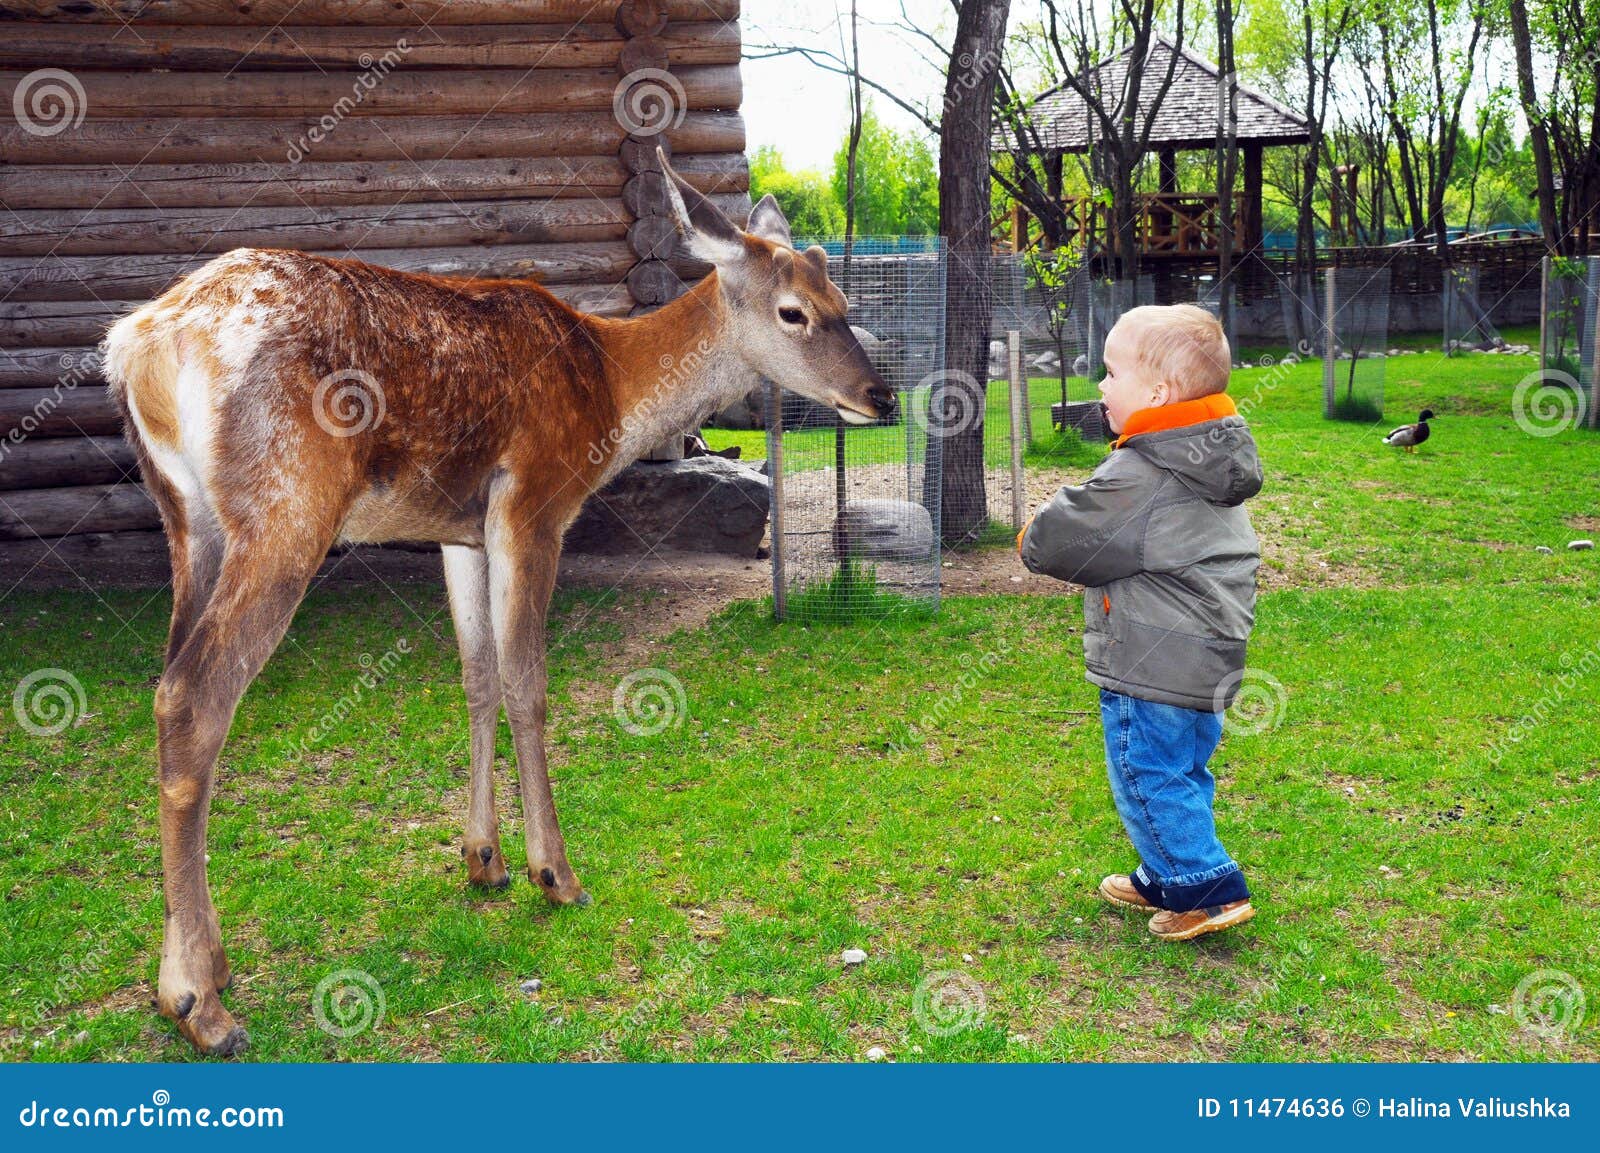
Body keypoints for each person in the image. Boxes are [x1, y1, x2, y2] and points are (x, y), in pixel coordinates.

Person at [1018, 304, 1264, 941]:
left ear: (1158, 393)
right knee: (1180, 769)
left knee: (1144, 769)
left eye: (1110, 372)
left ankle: (1206, 889)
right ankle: (1166, 871)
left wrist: (1028, 535)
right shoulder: (1207, 459)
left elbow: (1059, 540)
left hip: (1152, 658)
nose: (1100, 386)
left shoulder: (1142, 471)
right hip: (1204, 654)